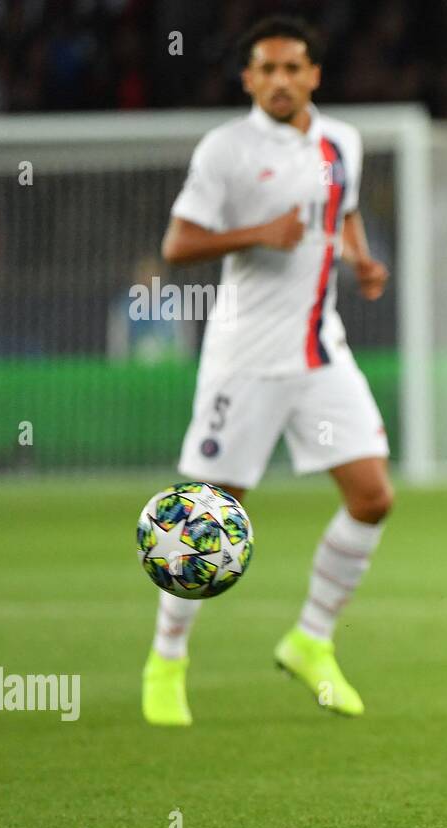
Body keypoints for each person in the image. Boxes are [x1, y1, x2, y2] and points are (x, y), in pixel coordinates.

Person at [143, 16, 392, 725]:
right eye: (266, 69)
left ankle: (310, 639)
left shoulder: (342, 141)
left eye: (293, 68)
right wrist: (259, 233)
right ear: (249, 79)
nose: (280, 81)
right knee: (207, 517)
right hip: (244, 359)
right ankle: (167, 658)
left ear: (313, 74)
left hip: (319, 348)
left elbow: (339, 214)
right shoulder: (226, 148)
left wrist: (360, 257)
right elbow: (179, 241)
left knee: (373, 495)